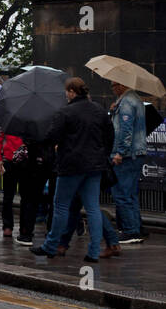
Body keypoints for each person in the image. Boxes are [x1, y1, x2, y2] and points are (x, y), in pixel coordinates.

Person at [34, 78, 114, 263]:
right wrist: (102, 155)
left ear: (71, 92)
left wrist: (48, 145)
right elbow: (110, 136)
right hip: (94, 166)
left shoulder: (65, 112)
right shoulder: (99, 111)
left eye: (66, 92)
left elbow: (52, 137)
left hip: (70, 166)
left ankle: (51, 245)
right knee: (93, 208)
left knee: (61, 206)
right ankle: (94, 252)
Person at [109, 80, 149, 243]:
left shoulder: (126, 101)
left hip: (127, 155)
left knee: (122, 193)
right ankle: (136, 227)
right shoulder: (135, 99)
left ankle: (130, 231)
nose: (112, 89)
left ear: (121, 85)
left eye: (113, 85)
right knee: (130, 193)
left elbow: (125, 130)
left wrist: (120, 152)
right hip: (136, 153)